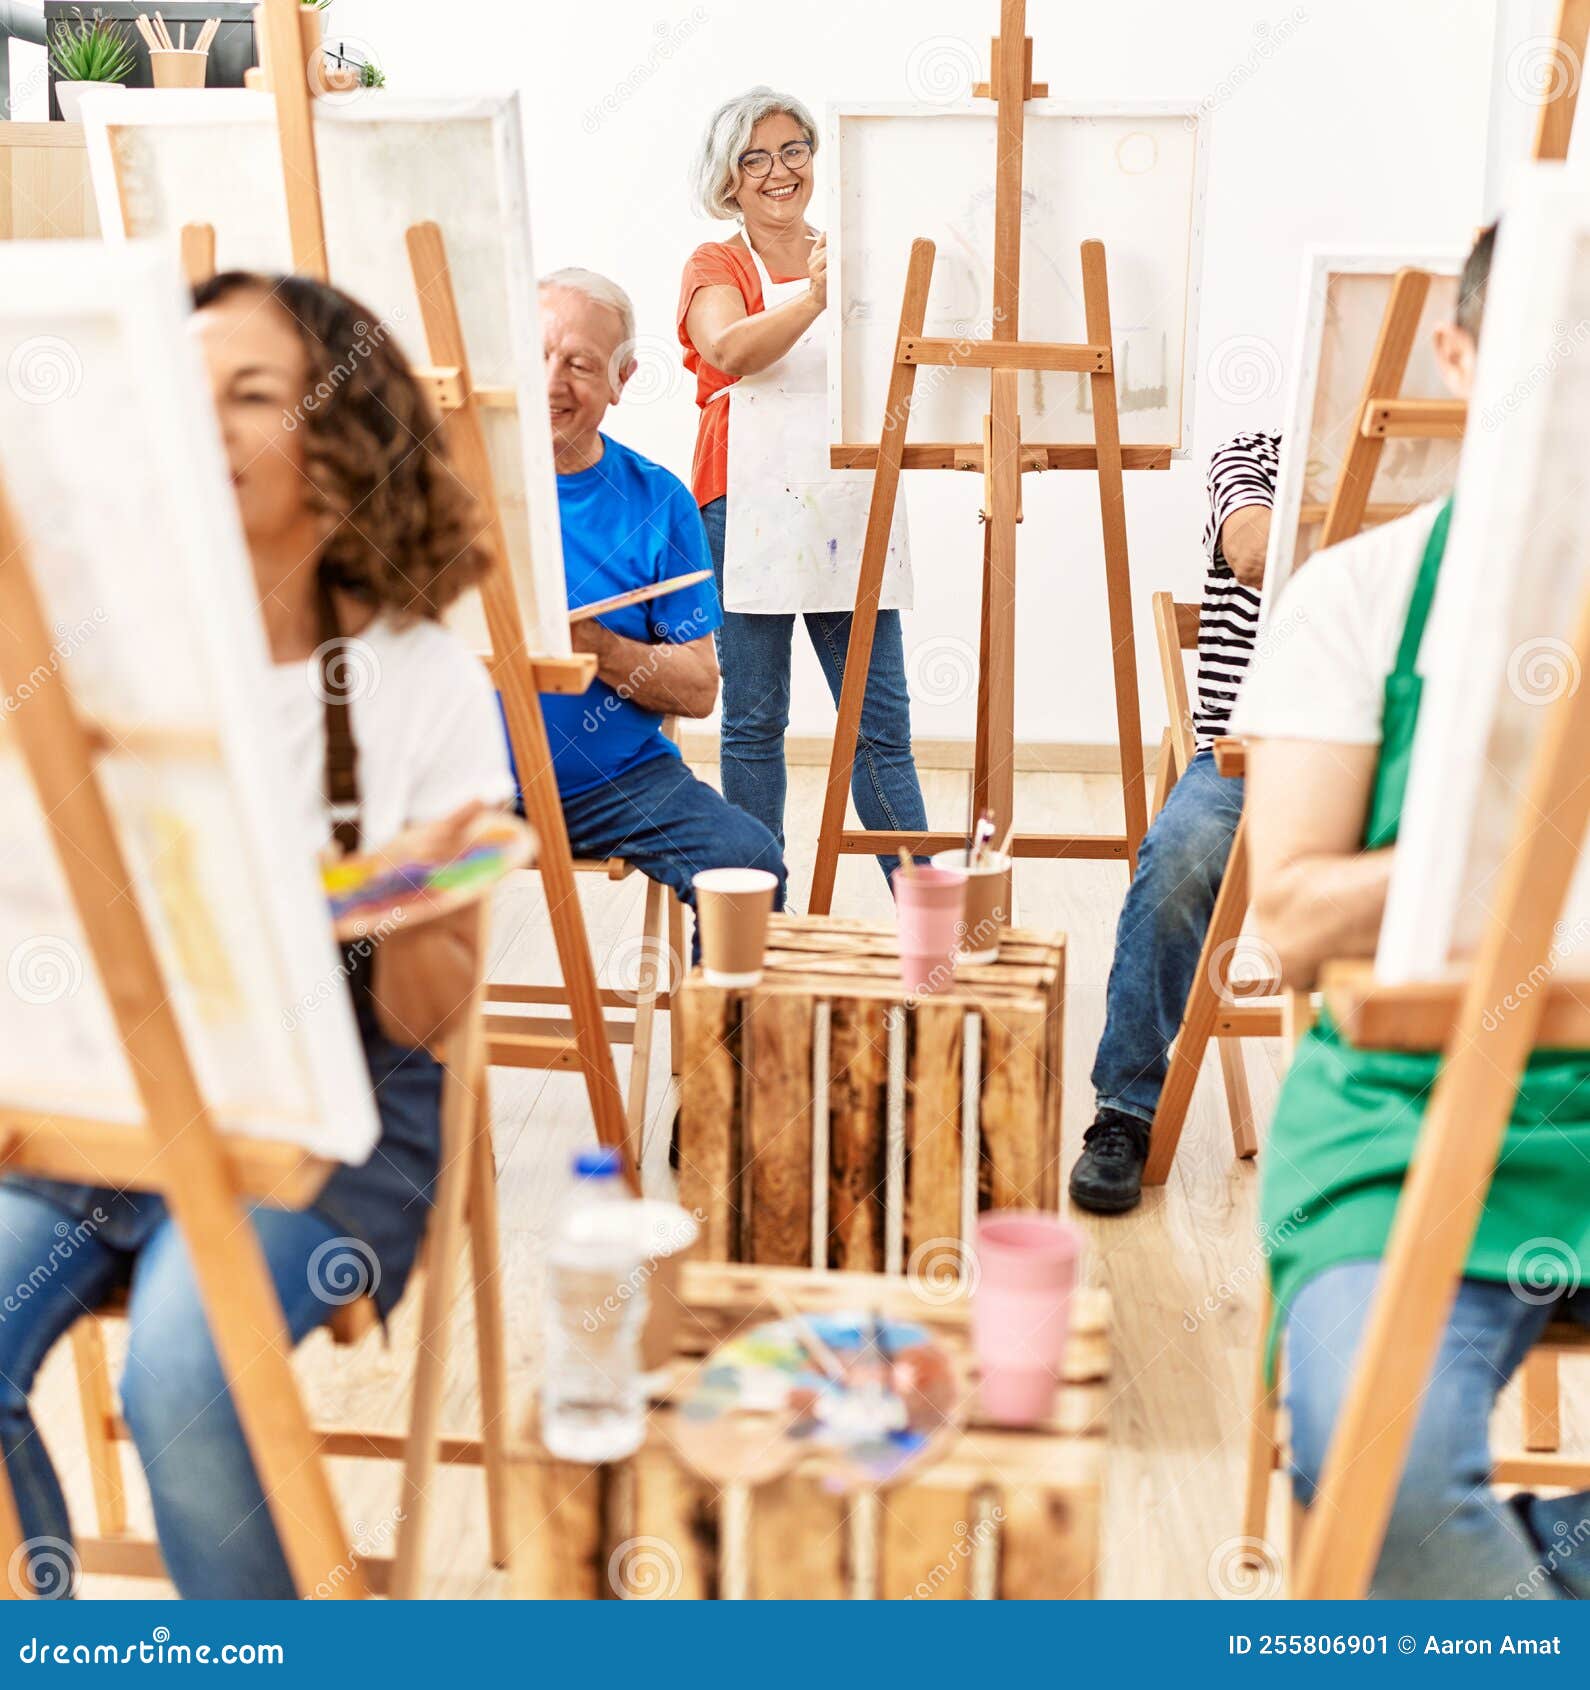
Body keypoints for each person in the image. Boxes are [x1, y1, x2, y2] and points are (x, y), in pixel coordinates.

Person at [0, 271, 513, 1598]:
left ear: (341, 435)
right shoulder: (98, 659)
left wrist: (410, 894)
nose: (204, 424)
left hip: (337, 1110)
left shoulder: (421, 679)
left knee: (186, 1371)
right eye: (180, 394)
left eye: (249, 395)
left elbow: (424, 1016)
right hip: (118, 1090)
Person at [1235, 222, 1590, 1598]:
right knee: (1387, 1476)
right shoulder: (1360, 598)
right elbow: (1292, 914)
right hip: (1403, 1125)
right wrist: (1506, 843)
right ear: (1459, 354)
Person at [679, 87, 928, 876]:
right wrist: (820, 298)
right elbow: (729, 349)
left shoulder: (859, 249)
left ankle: (926, 916)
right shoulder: (717, 263)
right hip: (744, 506)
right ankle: (759, 916)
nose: (778, 170)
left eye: (793, 150)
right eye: (754, 158)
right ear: (728, 177)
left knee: (879, 727)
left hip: (850, 503)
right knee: (755, 722)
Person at [1067, 432, 1280, 1212]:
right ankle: (1124, 1112)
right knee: (1177, 859)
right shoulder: (1251, 456)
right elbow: (1253, 552)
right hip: (1249, 757)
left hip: (1399, 757)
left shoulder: (1462, 464)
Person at [533, 267, 787, 918]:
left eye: (579, 364)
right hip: (458, 784)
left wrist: (596, 647)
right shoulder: (449, 483)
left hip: (612, 786)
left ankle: (716, 994)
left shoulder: (657, 500)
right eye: (536, 356)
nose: (551, 382)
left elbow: (700, 690)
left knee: (749, 868)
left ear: (622, 380)